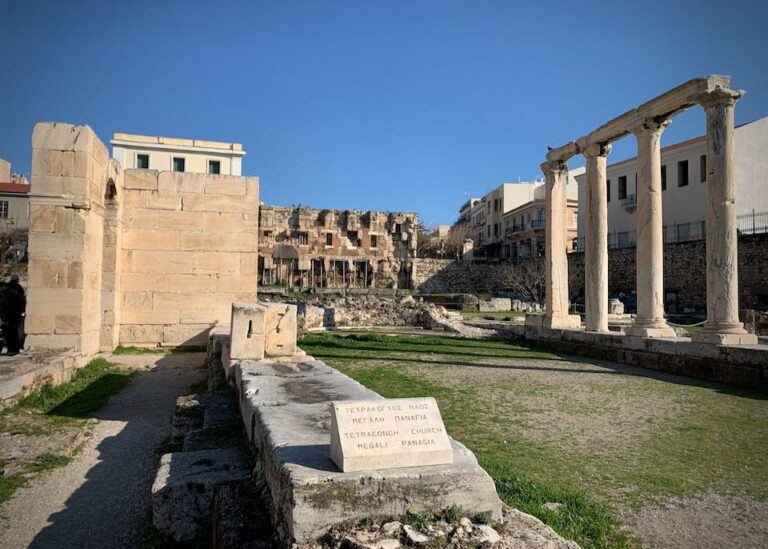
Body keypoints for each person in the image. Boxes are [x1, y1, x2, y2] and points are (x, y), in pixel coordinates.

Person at [0, 274, 26, 355]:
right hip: (16, 315)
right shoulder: (17, 289)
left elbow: (7, 308)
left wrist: (5, 319)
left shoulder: (8, 294)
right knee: (14, 333)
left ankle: (11, 349)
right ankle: (14, 349)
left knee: (9, 334)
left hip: (9, 317)